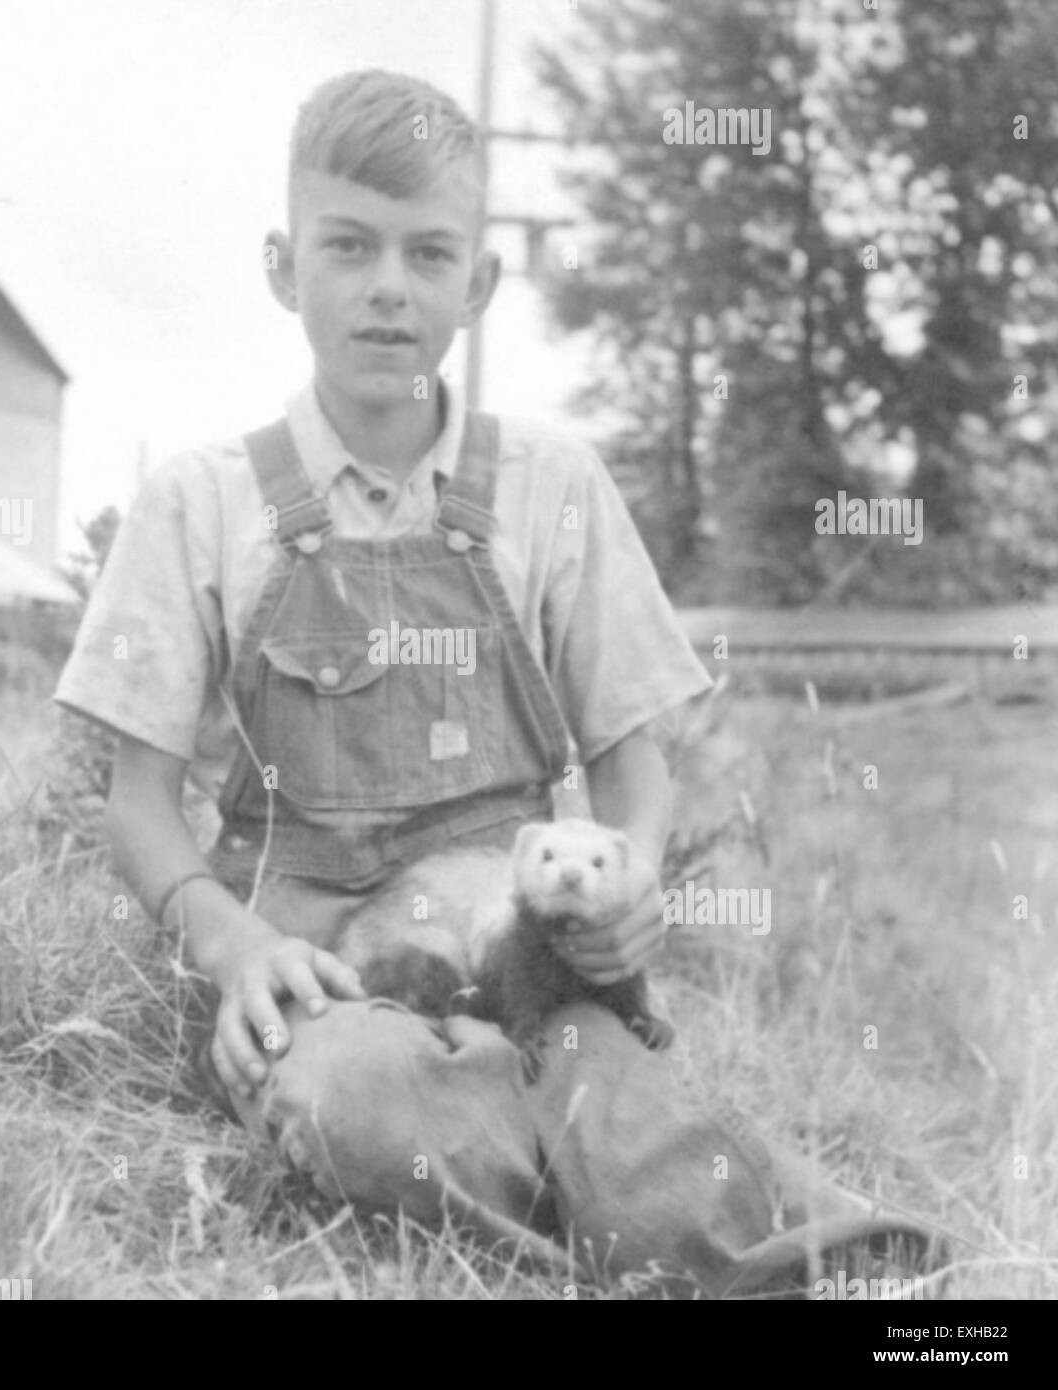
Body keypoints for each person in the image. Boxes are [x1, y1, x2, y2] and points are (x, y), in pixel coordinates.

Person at [55, 69, 937, 1294]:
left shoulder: (554, 484)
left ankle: (659, 1158)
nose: (386, 287)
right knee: (351, 1101)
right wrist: (237, 947)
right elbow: (136, 802)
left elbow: (637, 766)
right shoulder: (200, 502)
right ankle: (644, 1185)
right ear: (281, 265)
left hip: (534, 956)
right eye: (347, 246)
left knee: (585, 1053)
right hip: (330, 979)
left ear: (478, 283)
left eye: (429, 254)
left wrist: (629, 878)